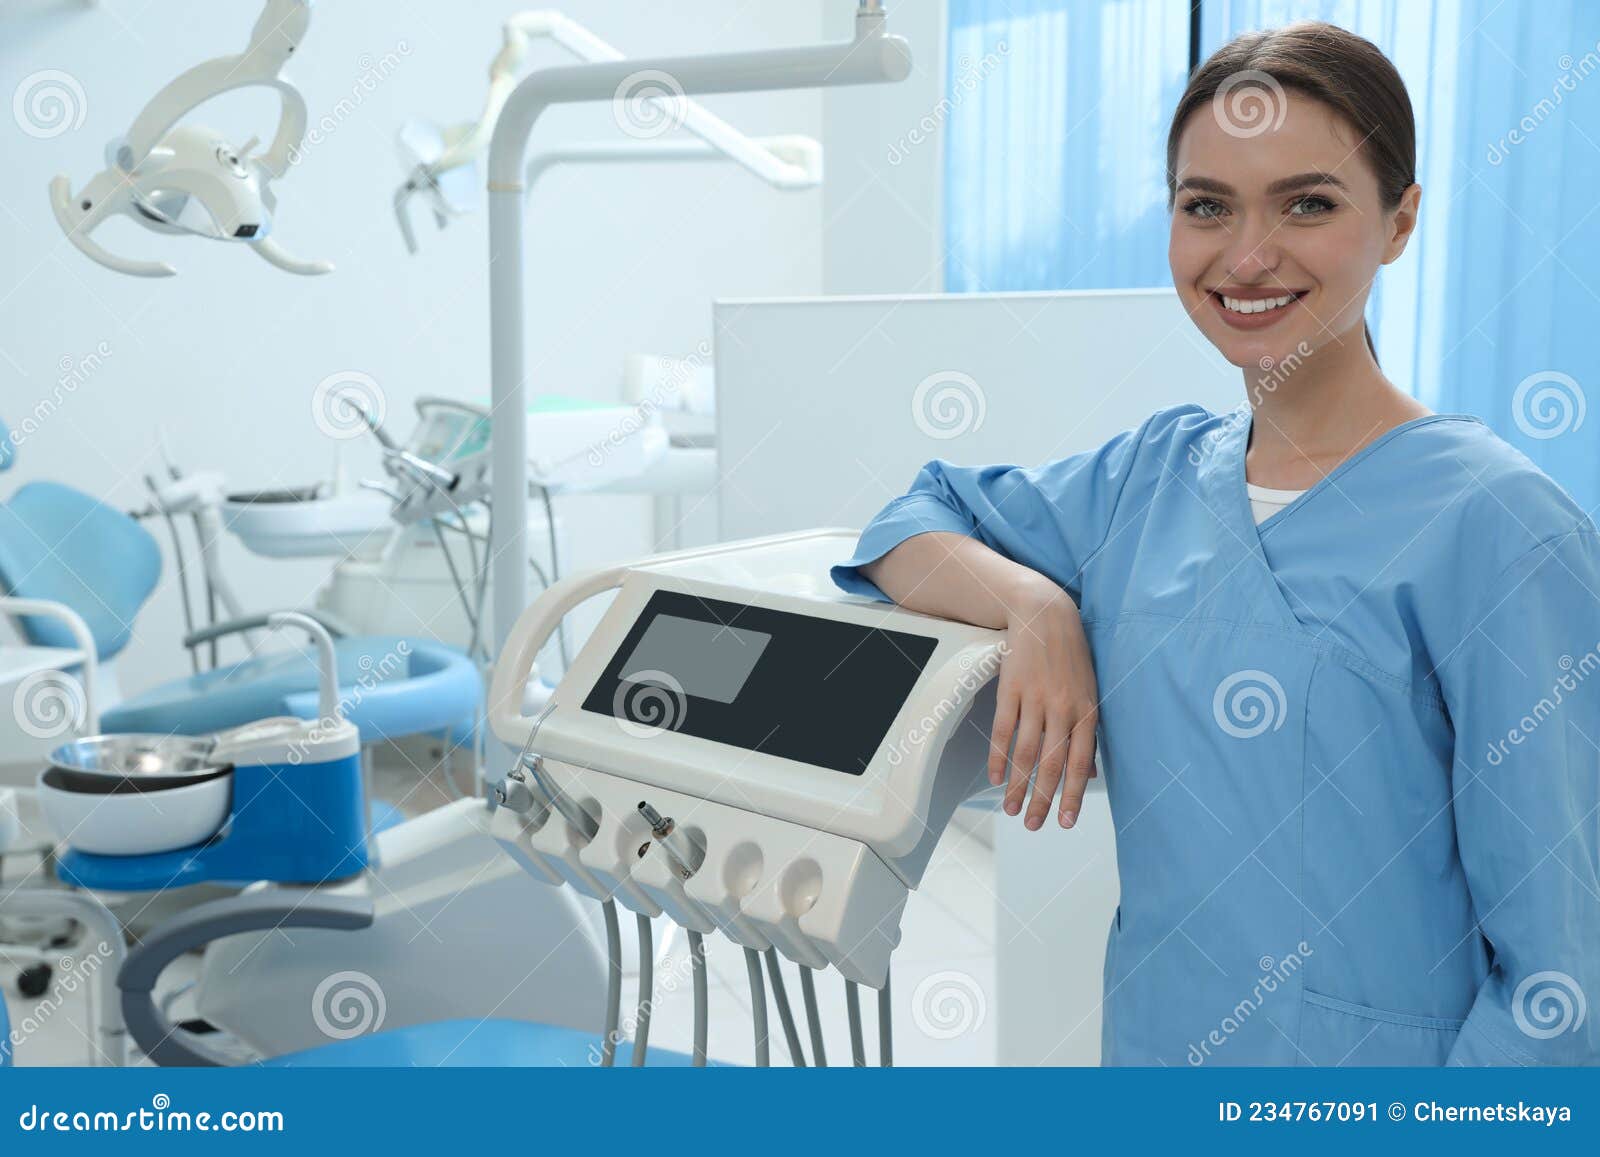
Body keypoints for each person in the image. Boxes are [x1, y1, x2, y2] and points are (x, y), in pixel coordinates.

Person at [831, 21, 1600, 1066]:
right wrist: (1035, 607)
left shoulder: (1498, 527)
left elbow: (1562, 981)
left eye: (1307, 204)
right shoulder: (1144, 481)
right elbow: (909, 523)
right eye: (1207, 206)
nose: (1246, 256)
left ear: (1400, 220)